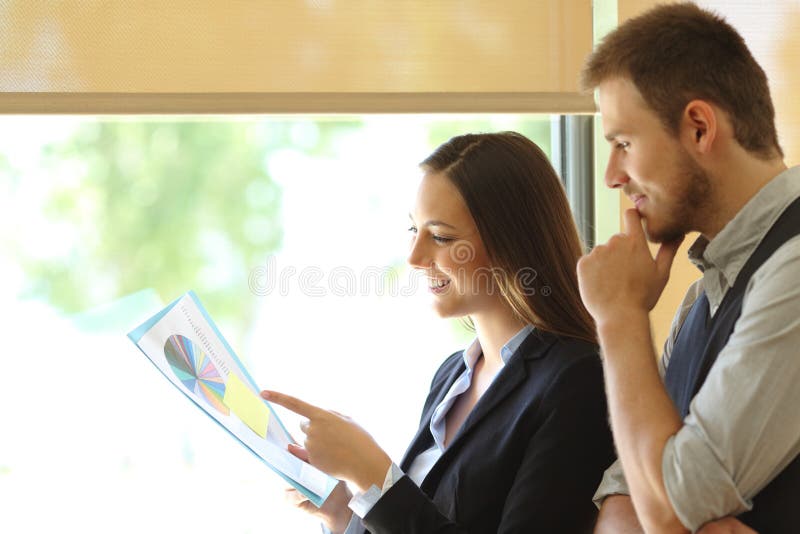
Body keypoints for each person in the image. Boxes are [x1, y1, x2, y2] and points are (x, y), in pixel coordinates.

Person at [262, 131, 615, 533]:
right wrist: (345, 510)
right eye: (414, 230)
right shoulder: (454, 375)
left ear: (514, 242)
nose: (414, 258)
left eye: (442, 237)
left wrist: (374, 475)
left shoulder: (578, 380)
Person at [576, 3, 800, 533]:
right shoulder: (700, 300)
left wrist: (619, 317)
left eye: (623, 144)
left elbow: (667, 507)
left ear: (699, 127)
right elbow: (626, 493)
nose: (612, 176)